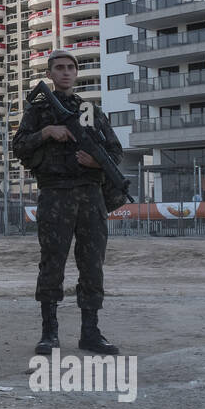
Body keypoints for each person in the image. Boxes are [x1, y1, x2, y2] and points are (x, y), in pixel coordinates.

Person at [11, 50, 122, 356]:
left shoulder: (89, 110)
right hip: (55, 193)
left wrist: (96, 163)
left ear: (76, 73)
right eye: (59, 68)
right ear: (50, 75)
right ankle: (49, 333)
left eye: (70, 68)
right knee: (52, 264)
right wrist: (46, 132)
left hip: (89, 196)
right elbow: (18, 145)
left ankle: (91, 332)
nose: (65, 72)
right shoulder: (38, 111)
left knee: (92, 266)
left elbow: (115, 150)